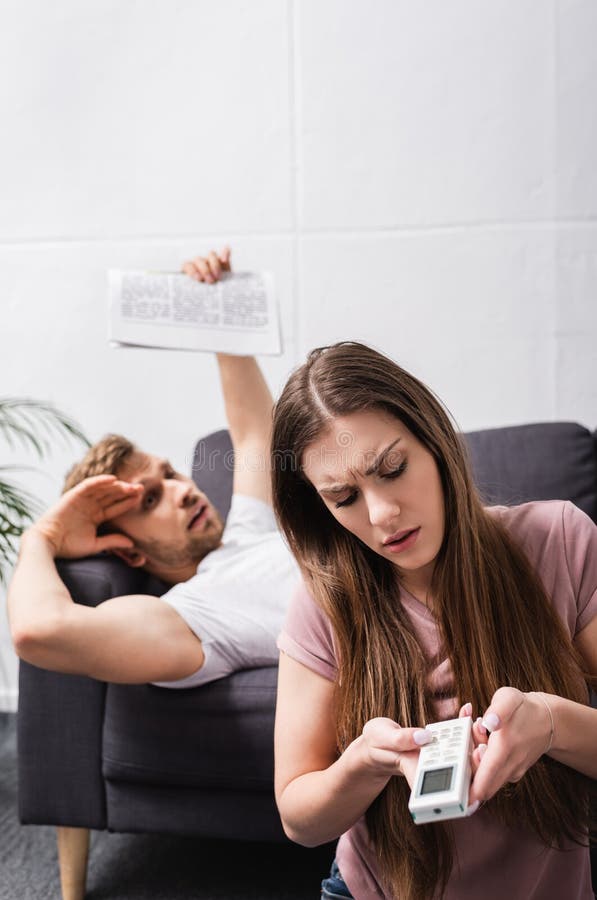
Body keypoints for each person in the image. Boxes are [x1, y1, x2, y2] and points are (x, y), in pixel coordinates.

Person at [270, 341, 597, 900]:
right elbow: (299, 820)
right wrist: (365, 764)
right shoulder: (324, 604)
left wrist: (550, 724)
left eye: (392, 469)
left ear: (435, 441)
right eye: (344, 498)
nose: (382, 515)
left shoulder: (559, 541)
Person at [8, 247, 299, 689]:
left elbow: (254, 434)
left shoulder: (247, 528)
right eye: (149, 500)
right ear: (129, 553)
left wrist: (215, 303)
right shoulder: (190, 616)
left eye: (169, 475)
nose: (181, 491)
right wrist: (41, 537)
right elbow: (40, 631)